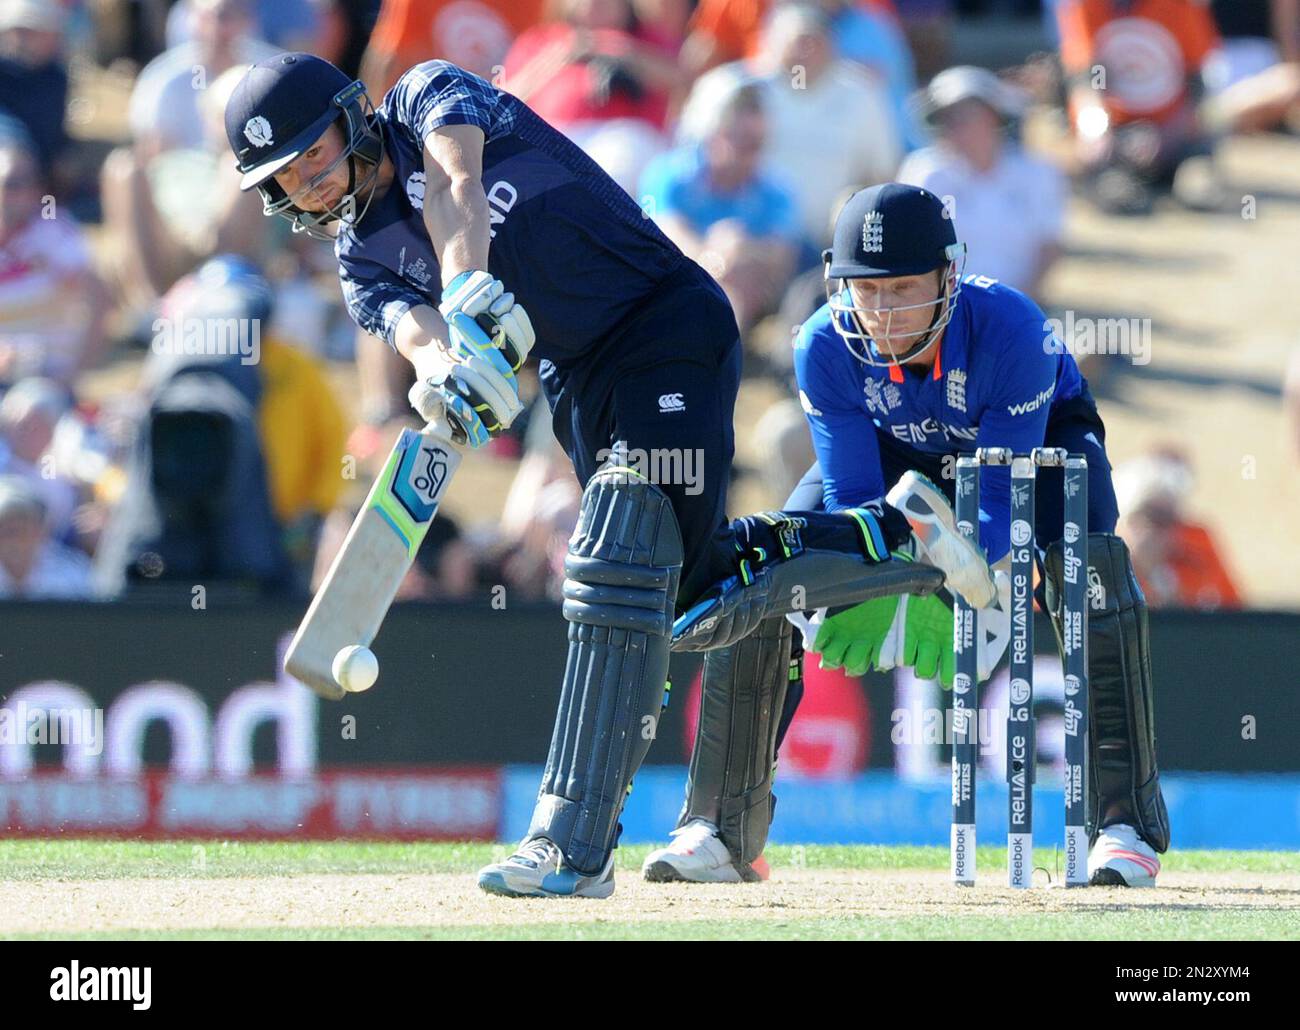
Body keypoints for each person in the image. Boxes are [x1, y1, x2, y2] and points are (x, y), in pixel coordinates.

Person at [224, 52, 983, 897]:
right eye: (287, 178)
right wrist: (446, 371)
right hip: (578, 380)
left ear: (351, 116)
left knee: (619, 551)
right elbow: (412, 331)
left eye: (314, 155)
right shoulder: (362, 259)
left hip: (666, 324)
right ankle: (909, 537)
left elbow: (455, 189)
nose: (311, 184)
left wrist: (468, 283)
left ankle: (573, 843)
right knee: (691, 593)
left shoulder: (428, 96)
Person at [644, 183, 1171, 889]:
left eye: (903, 289)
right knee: (769, 560)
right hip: (898, 458)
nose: (885, 312)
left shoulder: (1012, 328)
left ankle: (1124, 826)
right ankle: (722, 829)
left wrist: (947, 585)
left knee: (1093, 571)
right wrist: (870, 577)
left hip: (1039, 446)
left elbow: (993, 512)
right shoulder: (824, 341)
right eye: (868, 291)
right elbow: (859, 504)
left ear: (947, 276)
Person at [639, 81, 801, 335]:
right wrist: (718, 256)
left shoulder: (775, 188)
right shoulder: (670, 175)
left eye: (758, 143)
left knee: (743, 278)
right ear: (712, 133)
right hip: (676, 285)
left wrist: (740, 250)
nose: (751, 153)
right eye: (741, 140)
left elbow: (782, 256)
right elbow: (667, 240)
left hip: (748, 287)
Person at [899, 65, 1064, 299]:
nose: (953, 127)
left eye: (965, 116)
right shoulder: (924, 172)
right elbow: (911, 248)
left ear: (993, 117)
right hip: (945, 306)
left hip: (1019, 304)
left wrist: (1014, 306)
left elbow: (1049, 248)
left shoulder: (1037, 173)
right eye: (946, 118)